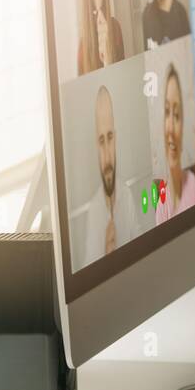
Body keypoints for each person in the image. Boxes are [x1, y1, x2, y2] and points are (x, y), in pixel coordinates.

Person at [83, 86, 135, 266]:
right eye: (101, 140)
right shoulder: (94, 212)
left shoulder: (126, 195)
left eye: (110, 137)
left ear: (116, 139)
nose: (106, 154)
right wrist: (107, 257)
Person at [155, 63, 195, 223]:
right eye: (167, 112)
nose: (170, 128)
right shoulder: (162, 195)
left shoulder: (193, 187)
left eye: (177, 115)